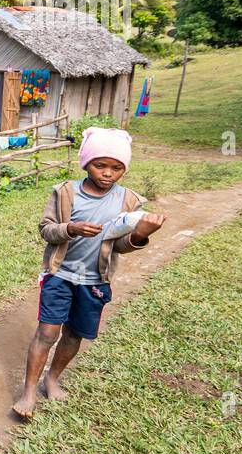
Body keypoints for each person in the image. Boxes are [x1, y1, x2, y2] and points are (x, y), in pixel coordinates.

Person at [12, 127, 166, 419]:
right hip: (60, 275)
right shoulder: (66, 193)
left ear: (124, 168)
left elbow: (120, 246)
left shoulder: (129, 202)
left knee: (74, 334)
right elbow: (46, 230)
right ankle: (29, 391)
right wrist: (71, 229)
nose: (108, 173)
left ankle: (52, 379)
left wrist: (141, 235)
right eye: (100, 165)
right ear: (86, 163)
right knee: (47, 332)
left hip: (95, 280)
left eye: (116, 167)